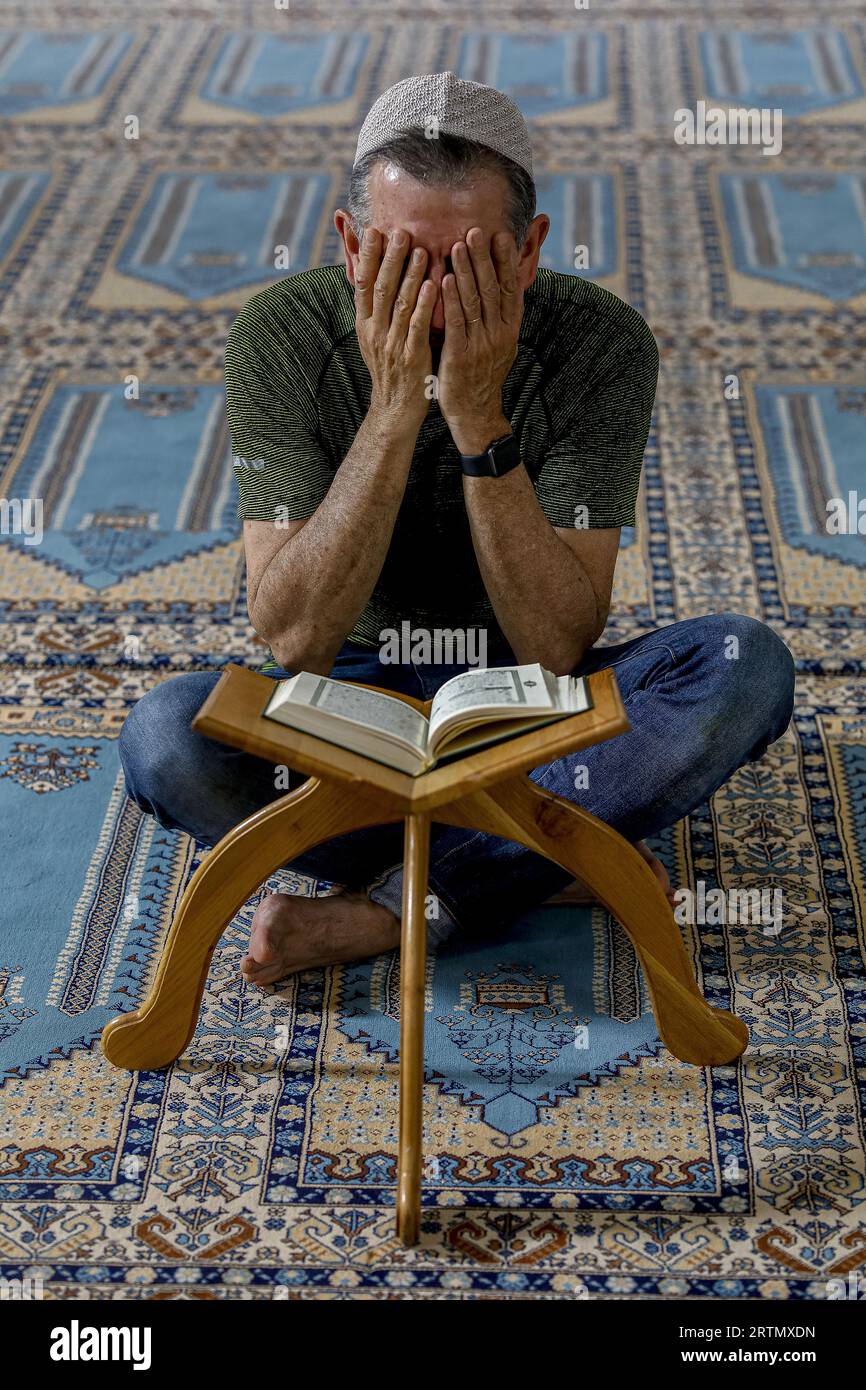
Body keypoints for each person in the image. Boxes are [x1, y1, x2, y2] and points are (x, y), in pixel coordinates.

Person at [119, 73, 795, 987]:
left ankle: (394, 907)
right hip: (348, 703)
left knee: (743, 667)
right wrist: (394, 409)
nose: (433, 297)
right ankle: (540, 859)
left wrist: (478, 418)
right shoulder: (281, 335)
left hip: (528, 710)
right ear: (351, 245)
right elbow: (293, 636)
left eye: (467, 265)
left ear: (527, 254)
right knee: (166, 736)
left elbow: (556, 643)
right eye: (401, 263)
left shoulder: (601, 345)